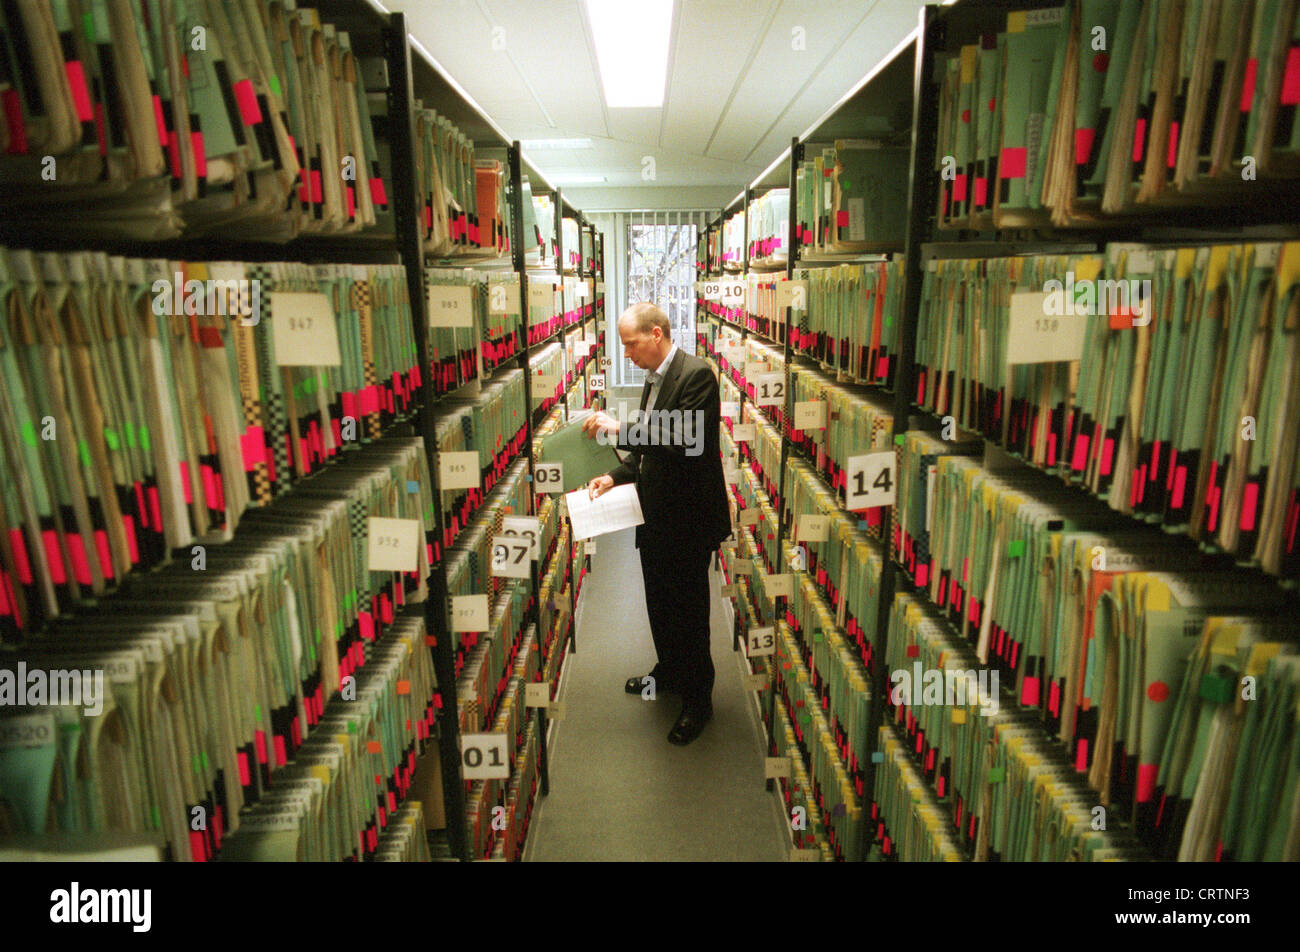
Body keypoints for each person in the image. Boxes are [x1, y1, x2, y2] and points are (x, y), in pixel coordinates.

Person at [582, 303, 732, 745]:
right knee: (659, 602)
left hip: (688, 518)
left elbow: (681, 437)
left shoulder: (697, 375)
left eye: (631, 344)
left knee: (689, 612)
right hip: (653, 514)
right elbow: (649, 448)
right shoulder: (654, 377)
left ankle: (698, 700)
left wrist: (618, 427)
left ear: (656, 334)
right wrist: (616, 475)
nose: (627, 353)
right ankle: (667, 671)